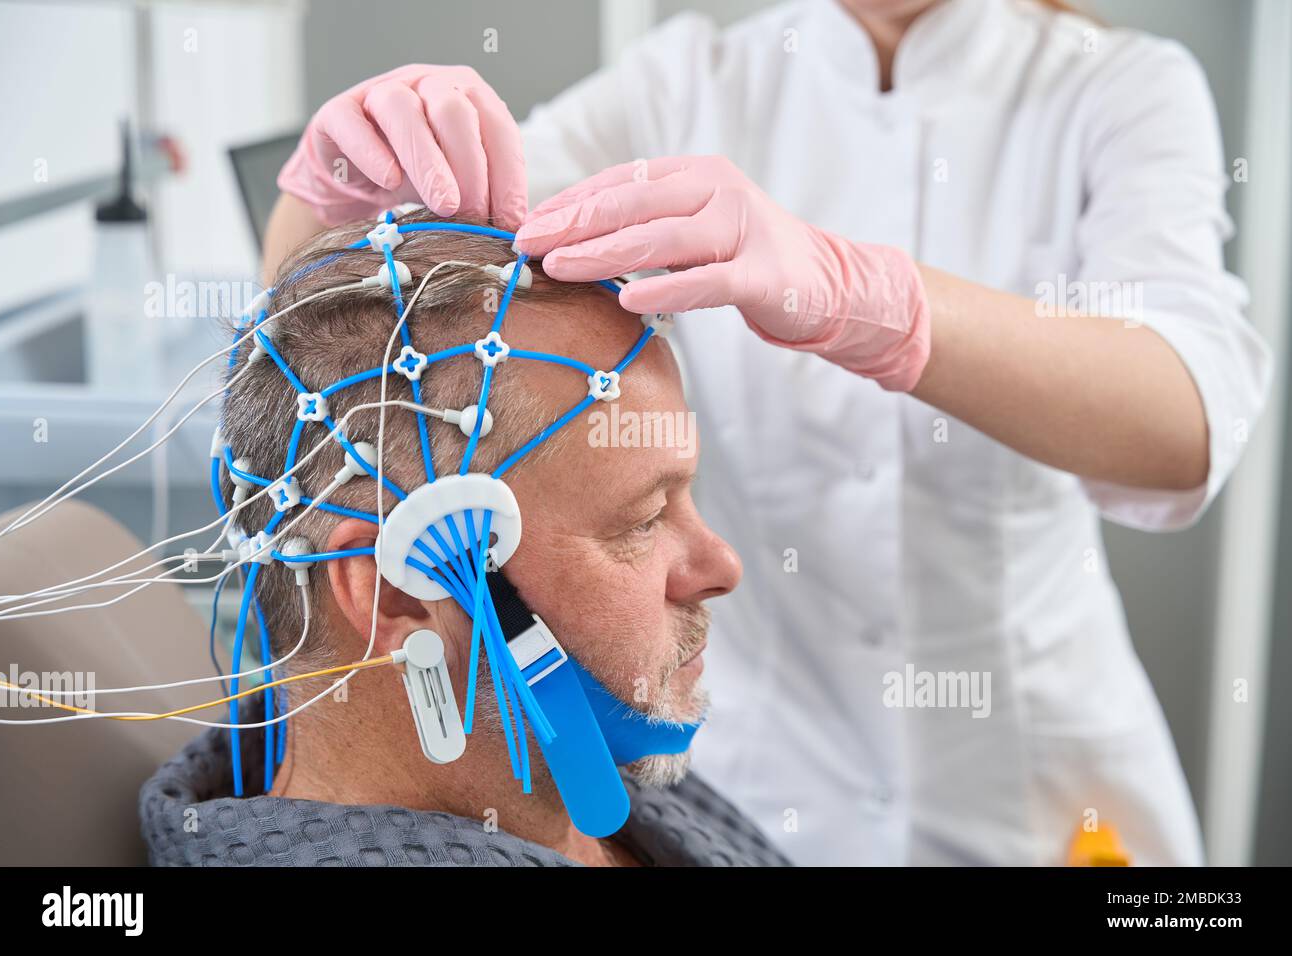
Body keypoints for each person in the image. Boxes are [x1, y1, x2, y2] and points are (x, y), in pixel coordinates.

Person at [262, 0, 1272, 865]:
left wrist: (869, 298)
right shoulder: (685, 81)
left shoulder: (1117, 88)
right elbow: (338, 332)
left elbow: (1186, 419)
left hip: (1031, 774)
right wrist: (327, 196)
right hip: (761, 780)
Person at [140, 211, 790, 867]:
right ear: (399, 595)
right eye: (644, 520)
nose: (721, 565)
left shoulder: (580, 768)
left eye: (685, 498)